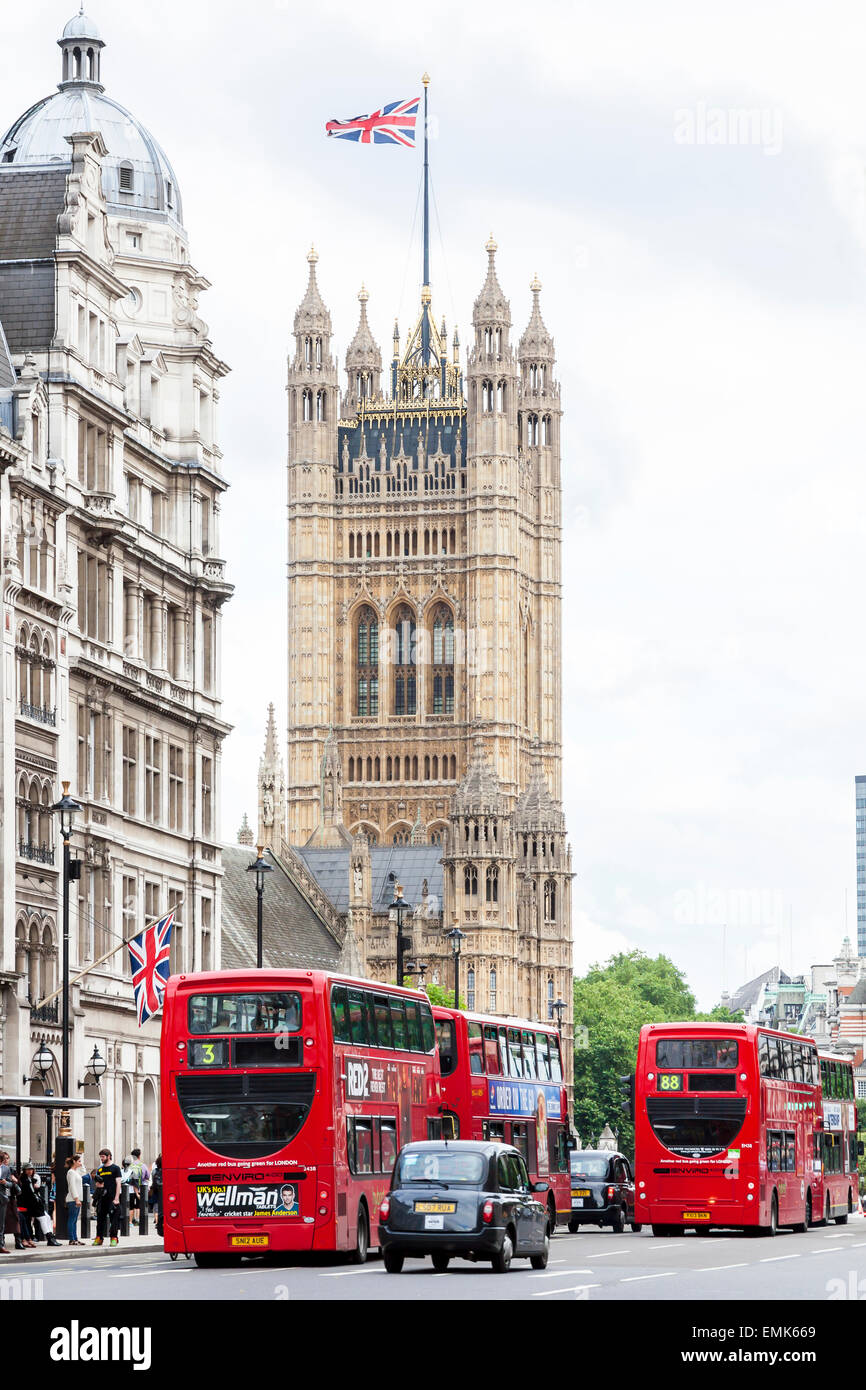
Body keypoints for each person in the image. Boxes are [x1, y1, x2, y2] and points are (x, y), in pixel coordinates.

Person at [93, 1147, 122, 1247]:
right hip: (102, 1197)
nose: (101, 1158)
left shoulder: (116, 1168)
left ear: (109, 1156)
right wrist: (98, 1184)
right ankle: (99, 1237)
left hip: (112, 1197)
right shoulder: (100, 1169)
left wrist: (117, 1198)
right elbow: (97, 1184)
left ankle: (113, 1238)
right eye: (100, 1157)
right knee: (100, 1218)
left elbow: (118, 1183)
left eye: (103, 1156)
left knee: (114, 1218)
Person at [65, 1154, 85, 1245]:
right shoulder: (71, 1172)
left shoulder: (76, 1172)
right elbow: (72, 1186)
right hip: (73, 1199)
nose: (81, 1163)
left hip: (77, 1199)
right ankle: (71, 1239)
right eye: (79, 1161)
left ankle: (75, 1238)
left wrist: (81, 1164)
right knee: (72, 1219)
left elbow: (83, 1172)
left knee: (75, 1220)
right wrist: (76, 1199)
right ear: (74, 1162)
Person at [128, 1149, 149, 1225]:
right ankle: (138, 1220)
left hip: (131, 1188)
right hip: (141, 1188)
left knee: (131, 1206)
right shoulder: (143, 1165)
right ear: (139, 1155)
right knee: (139, 1205)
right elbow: (147, 1176)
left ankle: (130, 1222)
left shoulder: (130, 1166)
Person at [148, 1154, 163, 1237]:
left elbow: (153, 1180)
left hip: (156, 1191)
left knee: (156, 1208)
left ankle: (158, 1222)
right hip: (164, 1191)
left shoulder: (155, 1171)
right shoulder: (167, 1170)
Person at [0, 1151, 11, 1252]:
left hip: (2, 1199)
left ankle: (1, 1246)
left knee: (1, 1223)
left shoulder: (6, 1169)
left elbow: (11, 1184)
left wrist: (5, 1182)